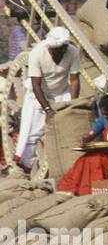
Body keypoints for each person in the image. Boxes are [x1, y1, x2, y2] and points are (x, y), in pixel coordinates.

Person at [16, 26, 82, 169]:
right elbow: (36, 85)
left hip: (61, 92)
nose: (59, 53)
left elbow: (75, 79)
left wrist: (73, 103)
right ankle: (28, 165)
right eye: (55, 50)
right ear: (50, 47)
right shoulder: (37, 53)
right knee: (34, 132)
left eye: (62, 50)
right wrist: (47, 108)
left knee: (68, 127)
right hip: (39, 95)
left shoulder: (73, 52)